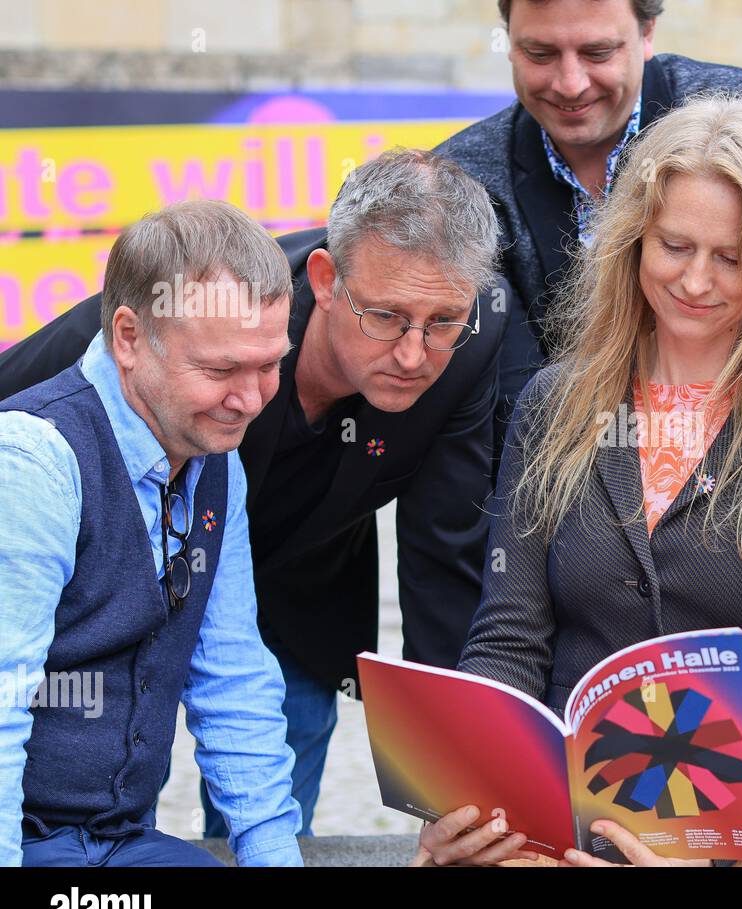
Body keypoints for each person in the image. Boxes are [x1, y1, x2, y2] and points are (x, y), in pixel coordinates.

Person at [414, 93, 742, 868]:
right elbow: (509, 635)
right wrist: (486, 788)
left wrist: (705, 838)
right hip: (574, 799)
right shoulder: (557, 403)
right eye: (675, 245)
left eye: (733, 257)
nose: (697, 281)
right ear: (633, 240)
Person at [0, 149, 508, 838]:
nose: (416, 353)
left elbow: (446, 556)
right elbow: (31, 405)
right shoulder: (199, 312)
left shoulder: (470, 347)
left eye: (443, 320)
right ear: (325, 281)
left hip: (297, 599)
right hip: (105, 591)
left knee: (270, 795)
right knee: (80, 784)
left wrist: (451, 786)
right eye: (386, 316)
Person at [0, 200, 303, 866]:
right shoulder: (34, 460)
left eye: (268, 365)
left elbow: (233, 678)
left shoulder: (217, 460)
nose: (251, 400)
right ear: (129, 337)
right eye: (222, 370)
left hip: (123, 841)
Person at [436, 0, 742, 463]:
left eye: (598, 53)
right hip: (564, 470)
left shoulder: (737, 110)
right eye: (539, 54)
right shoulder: (468, 179)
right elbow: (515, 401)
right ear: (509, 42)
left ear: (648, 32)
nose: (570, 84)